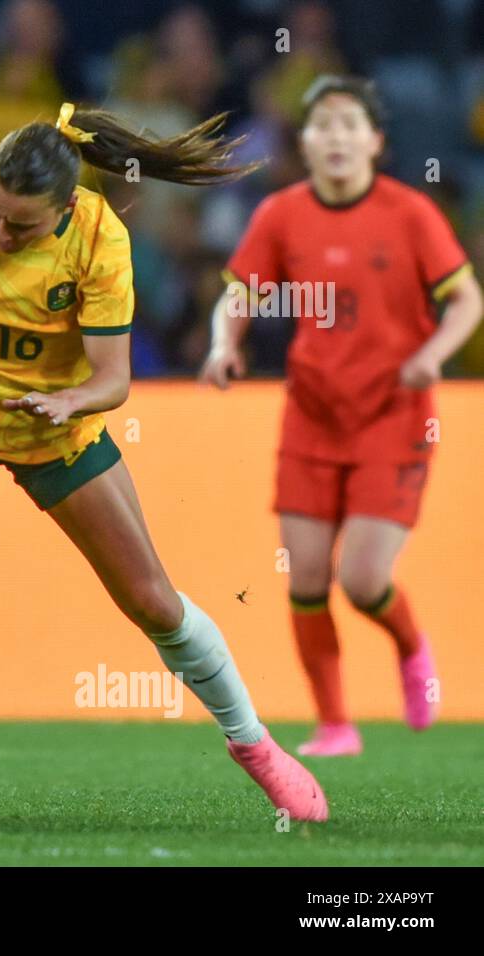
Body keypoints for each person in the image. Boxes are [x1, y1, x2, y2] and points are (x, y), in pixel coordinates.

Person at [0, 103, 329, 823]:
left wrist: (69, 403)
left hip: (56, 429)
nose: (1, 232)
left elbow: (114, 378)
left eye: (21, 225)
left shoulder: (102, 241)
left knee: (153, 602)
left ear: (66, 208)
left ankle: (258, 749)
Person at [201, 76, 482, 756]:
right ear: (304, 142)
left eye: (350, 124)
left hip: (393, 417)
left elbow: (468, 300)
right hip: (312, 417)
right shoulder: (280, 215)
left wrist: (433, 355)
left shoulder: (411, 213)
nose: (335, 137)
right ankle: (334, 724)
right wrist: (222, 343)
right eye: (322, 125)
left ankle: (412, 649)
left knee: (361, 580)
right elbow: (238, 295)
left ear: (376, 142)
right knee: (304, 577)